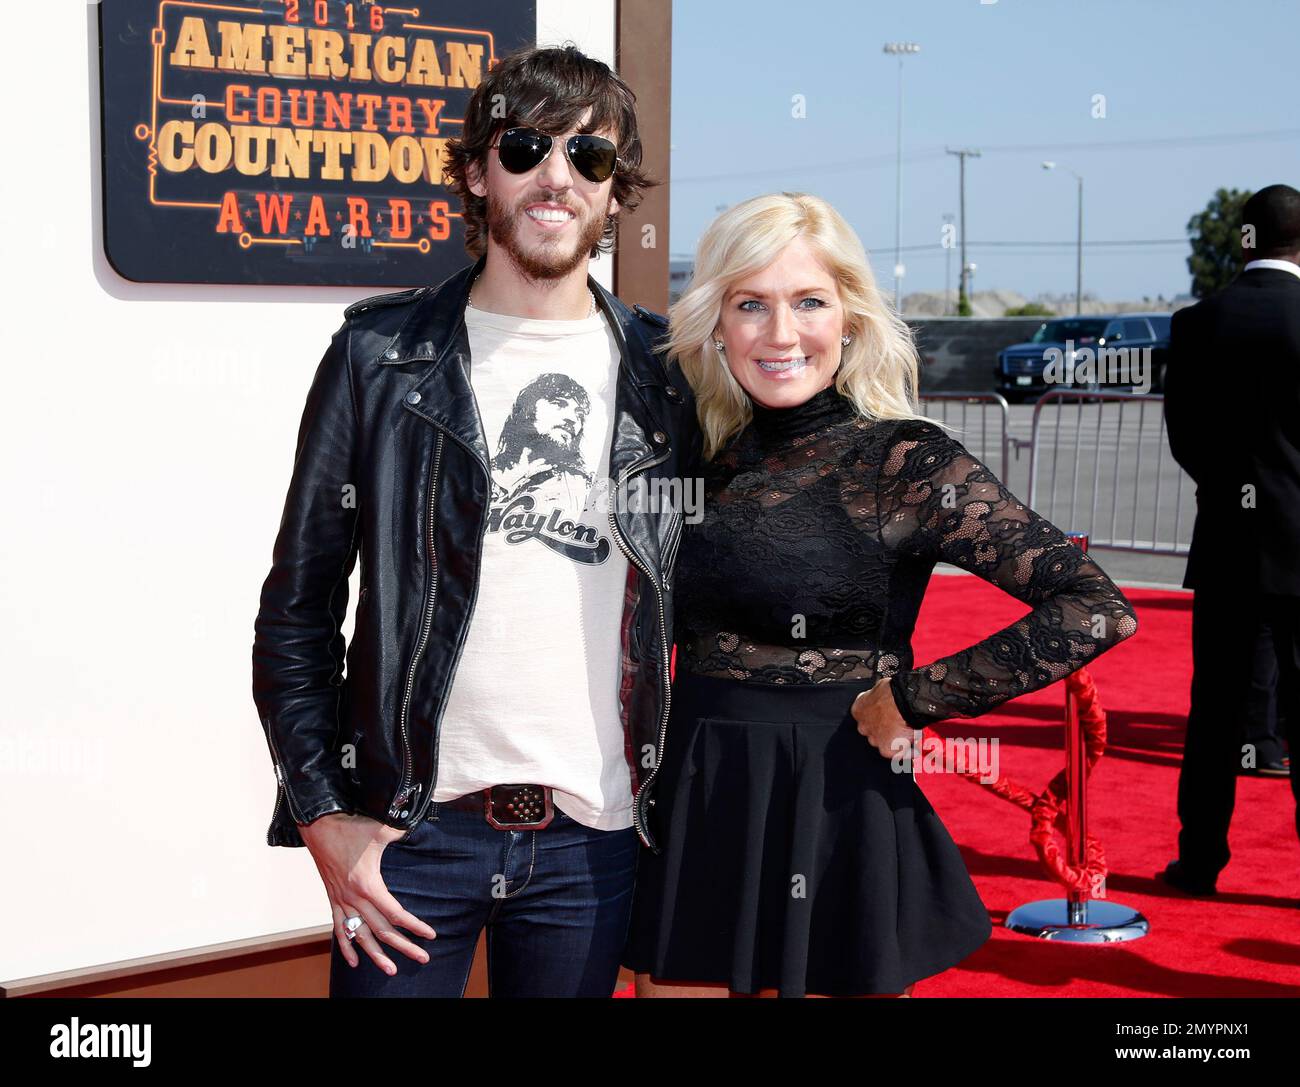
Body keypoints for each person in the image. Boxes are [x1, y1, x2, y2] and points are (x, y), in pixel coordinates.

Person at [251, 43, 699, 997]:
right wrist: (322, 811)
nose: (557, 177)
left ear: (618, 192)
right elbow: (297, 606)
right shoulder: (379, 357)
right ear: (474, 170)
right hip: (410, 834)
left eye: (592, 157)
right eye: (527, 146)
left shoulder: (668, 376)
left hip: (595, 839)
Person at [622, 192, 1140, 997]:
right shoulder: (697, 451)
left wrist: (917, 697)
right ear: (715, 321)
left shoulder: (903, 462)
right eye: (750, 304)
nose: (781, 333)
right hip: (699, 802)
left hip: (836, 806)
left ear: (851, 319)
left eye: (809, 302)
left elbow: (1093, 604)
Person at [1160, 183, 1300, 896]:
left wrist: (1224, 485)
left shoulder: (1196, 323)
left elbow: (1185, 436)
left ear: (1244, 239)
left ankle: (1199, 859)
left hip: (1225, 543)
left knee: (1213, 711)